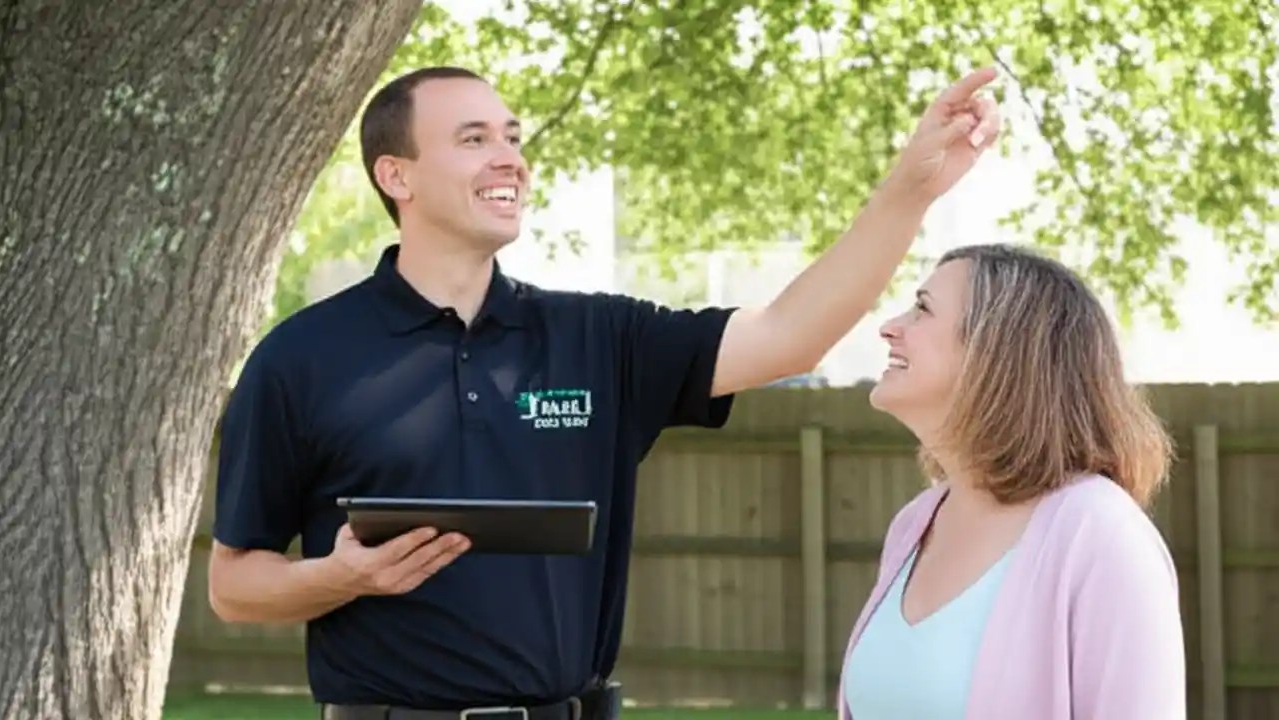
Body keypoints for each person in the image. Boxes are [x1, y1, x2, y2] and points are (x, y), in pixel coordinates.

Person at [207, 63, 1001, 720]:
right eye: (474, 138)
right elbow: (234, 585)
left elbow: (791, 333)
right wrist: (339, 577)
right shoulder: (301, 359)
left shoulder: (600, 340)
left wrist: (911, 189)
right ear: (396, 175)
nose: (510, 158)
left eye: (513, 138)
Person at [837, 243, 1186, 719]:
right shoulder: (914, 526)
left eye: (922, 309)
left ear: (998, 348)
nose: (890, 327)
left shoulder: (1100, 533)